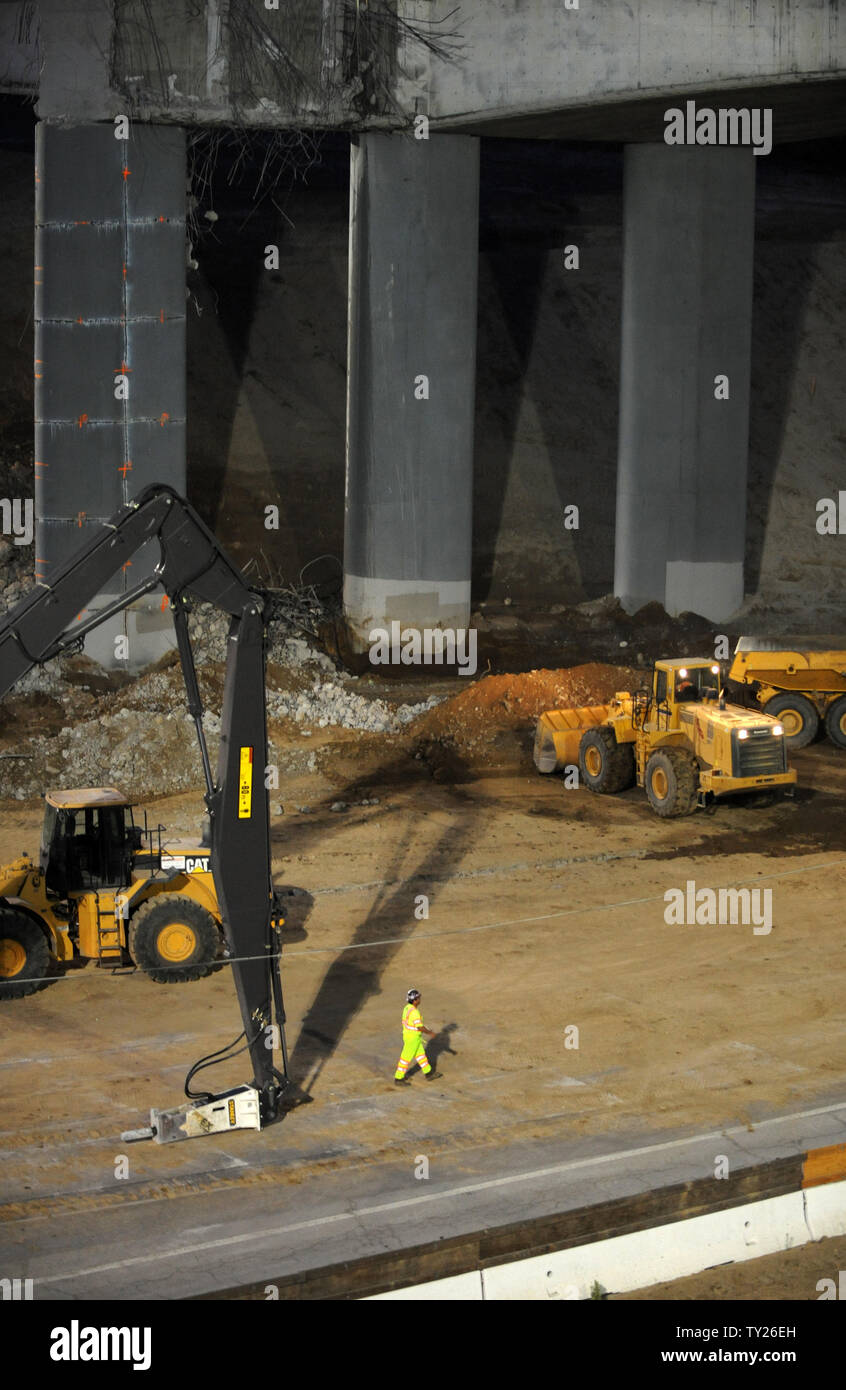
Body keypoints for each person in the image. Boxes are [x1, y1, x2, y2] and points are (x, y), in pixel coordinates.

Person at [394, 988, 442, 1085]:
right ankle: (398, 1078)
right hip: (413, 1038)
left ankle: (428, 1073)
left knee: (421, 1055)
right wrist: (430, 1033)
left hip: (409, 1035)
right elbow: (419, 1027)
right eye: (418, 998)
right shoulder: (415, 1013)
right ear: (415, 1000)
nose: (420, 999)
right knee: (405, 1058)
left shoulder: (407, 1008)